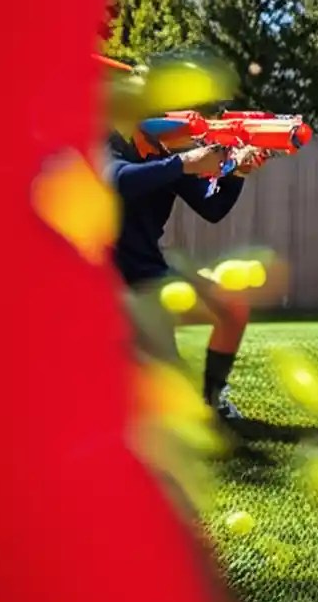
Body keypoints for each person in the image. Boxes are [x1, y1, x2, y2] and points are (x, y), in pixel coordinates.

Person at [103, 80, 269, 421]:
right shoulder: (100, 138)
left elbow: (213, 208)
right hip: (101, 281)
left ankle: (213, 395)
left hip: (148, 273)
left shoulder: (167, 151)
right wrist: (184, 164)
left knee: (231, 309)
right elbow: (117, 180)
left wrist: (236, 172)